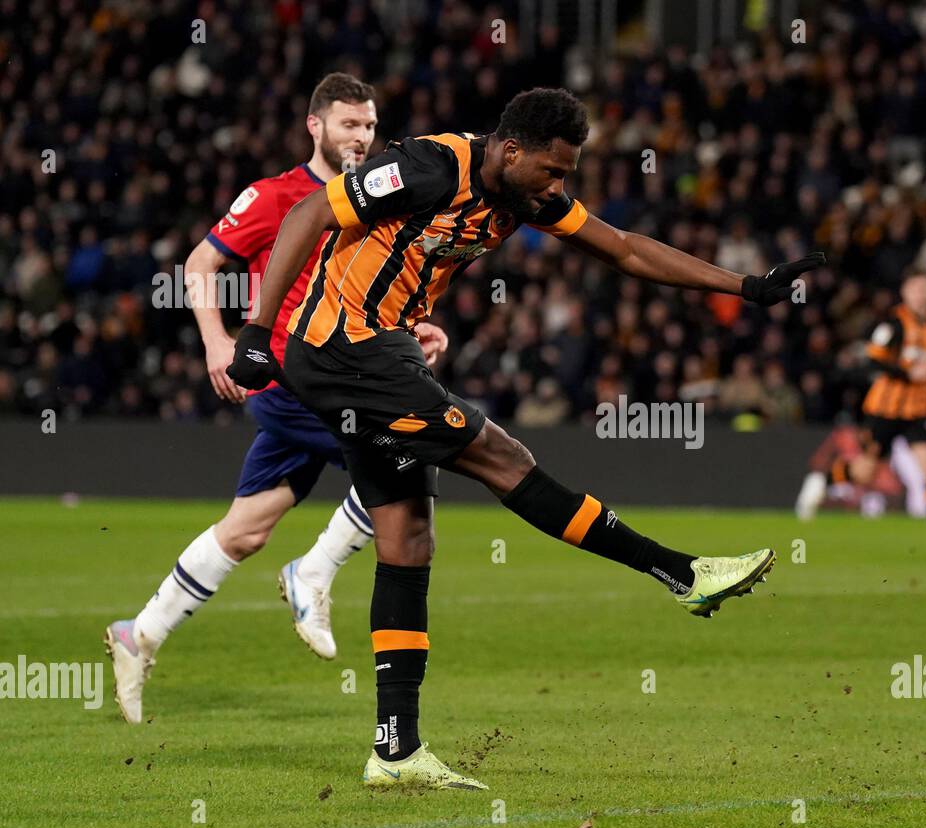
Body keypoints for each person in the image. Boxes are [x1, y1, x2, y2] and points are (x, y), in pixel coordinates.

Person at [227, 87, 824, 790]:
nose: (557, 186)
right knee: (503, 456)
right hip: (343, 348)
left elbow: (625, 250)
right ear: (511, 151)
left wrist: (746, 286)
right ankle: (681, 573)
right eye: (552, 170)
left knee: (408, 535)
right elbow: (309, 212)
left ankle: (395, 750)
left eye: (565, 174)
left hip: (382, 352)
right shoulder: (429, 166)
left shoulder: (526, 196)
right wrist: (257, 329)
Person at [105, 74, 395, 724]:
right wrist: (217, 341)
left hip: (339, 375)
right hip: (289, 378)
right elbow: (199, 265)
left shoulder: (371, 200)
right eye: (349, 124)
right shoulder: (275, 196)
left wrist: (411, 328)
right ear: (315, 126)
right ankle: (312, 573)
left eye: (370, 126)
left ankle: (140, 632)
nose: (361, 137)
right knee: (404, 458)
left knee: (246, 532)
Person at [795, 273, 926, 556]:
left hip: (918, 411)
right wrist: (906, 373)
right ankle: (821, 481)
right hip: (884, 411)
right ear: (905, 292)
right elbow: (873, 358)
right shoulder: (894, 324)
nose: (922, 294)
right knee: (865, 472)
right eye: (916, 289)